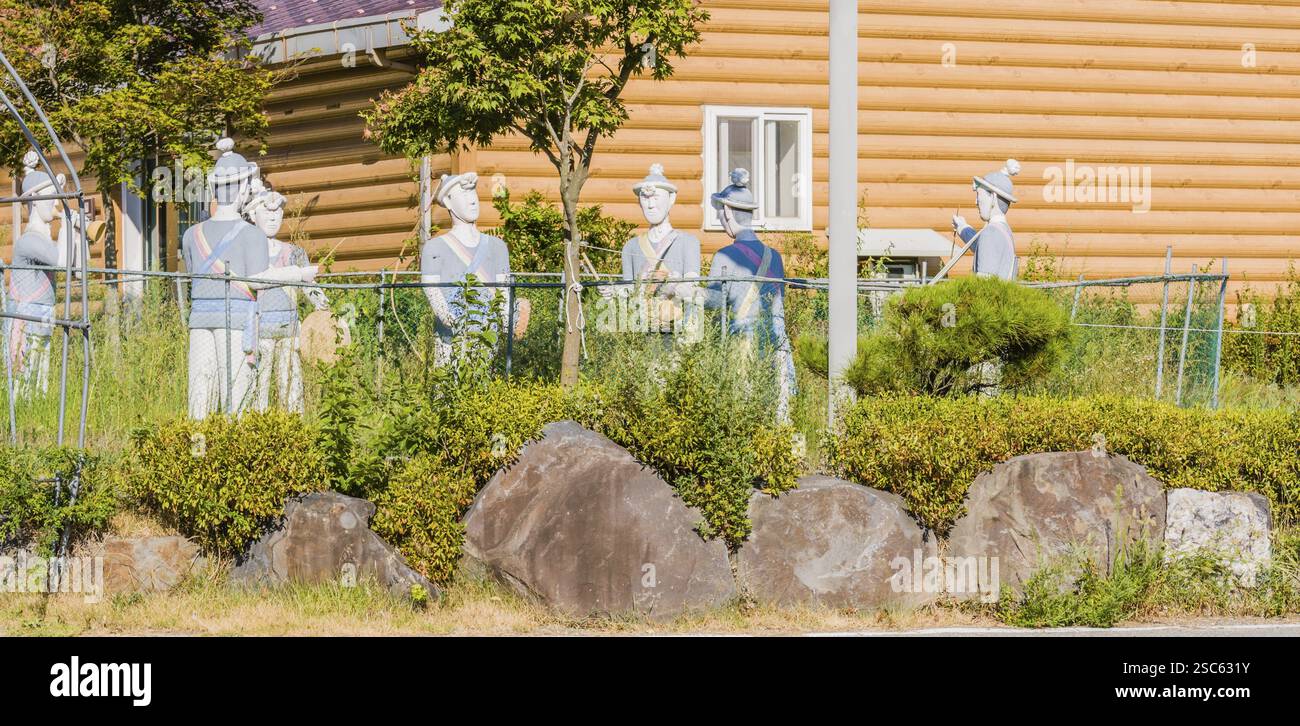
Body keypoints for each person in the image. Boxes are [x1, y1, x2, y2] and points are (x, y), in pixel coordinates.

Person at [181, 138, 316, 419]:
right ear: (243, 187)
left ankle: (196, 453)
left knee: (200, 396)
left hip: (199, 321)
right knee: (238, 395)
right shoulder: (250, 234)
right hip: (237, 322)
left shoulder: (190, 234)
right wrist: (297, 274)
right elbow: (257, 280)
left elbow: (193, 275)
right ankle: (234, 454)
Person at [680, 168, 795, 421]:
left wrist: (687, 291)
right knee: (778, 418)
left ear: (728, 212)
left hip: (744, 345)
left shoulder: (725, 255)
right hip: (777, 345)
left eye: (720, 214)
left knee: (745, 416)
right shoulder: (774, 256)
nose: (721, 220)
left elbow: (715, 300)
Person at [420, 171, 529, 365]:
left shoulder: (497, 247)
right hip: (450, 341)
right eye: (464, 195)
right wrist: (455, 323)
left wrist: (508, 324)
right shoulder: (434, 248)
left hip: (488, 336)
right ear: (450, 202)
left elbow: (503, 294)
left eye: (474, 194)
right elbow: (433, 292)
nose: (472, 201)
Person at [243, 180, 329, 412]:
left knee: (291, 385)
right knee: (258, 388)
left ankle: (294, 431)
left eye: (278, 212)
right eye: (267, 212)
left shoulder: (294, 252)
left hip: (289, 330)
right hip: (259, 331)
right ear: (253, 215)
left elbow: (310, 285)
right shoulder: (249, 252)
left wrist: (323, 305)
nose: (273, 218)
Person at [600, 164, 702, 340]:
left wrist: (670, 282)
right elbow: (630, 289)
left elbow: (692, 290)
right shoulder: (631, 247)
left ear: (671, 199)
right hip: (640, 328)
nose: (650, 205)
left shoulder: (688, 242)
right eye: (645, 199)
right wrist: (614, 291)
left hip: (677, 328)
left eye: (656, 198)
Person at [5, 151, 68, 397]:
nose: (55, 203)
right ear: (34, 201)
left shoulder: (44, 239)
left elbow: (71, 265)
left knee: (40, 378)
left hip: (43, 315)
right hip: (27, 318)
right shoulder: (30, 240)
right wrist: (67, 226)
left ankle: (37, 417)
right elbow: (61, 262)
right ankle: (20, 425)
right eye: (50, 197)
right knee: (24, 380)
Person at [951, 159, 1021, 280]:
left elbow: (984, 288)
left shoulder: (991, 233)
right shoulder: (1001, 229)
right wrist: (961, 227)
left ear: (993, 197)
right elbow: (980, 245)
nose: (976, 202)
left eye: (979, 195)